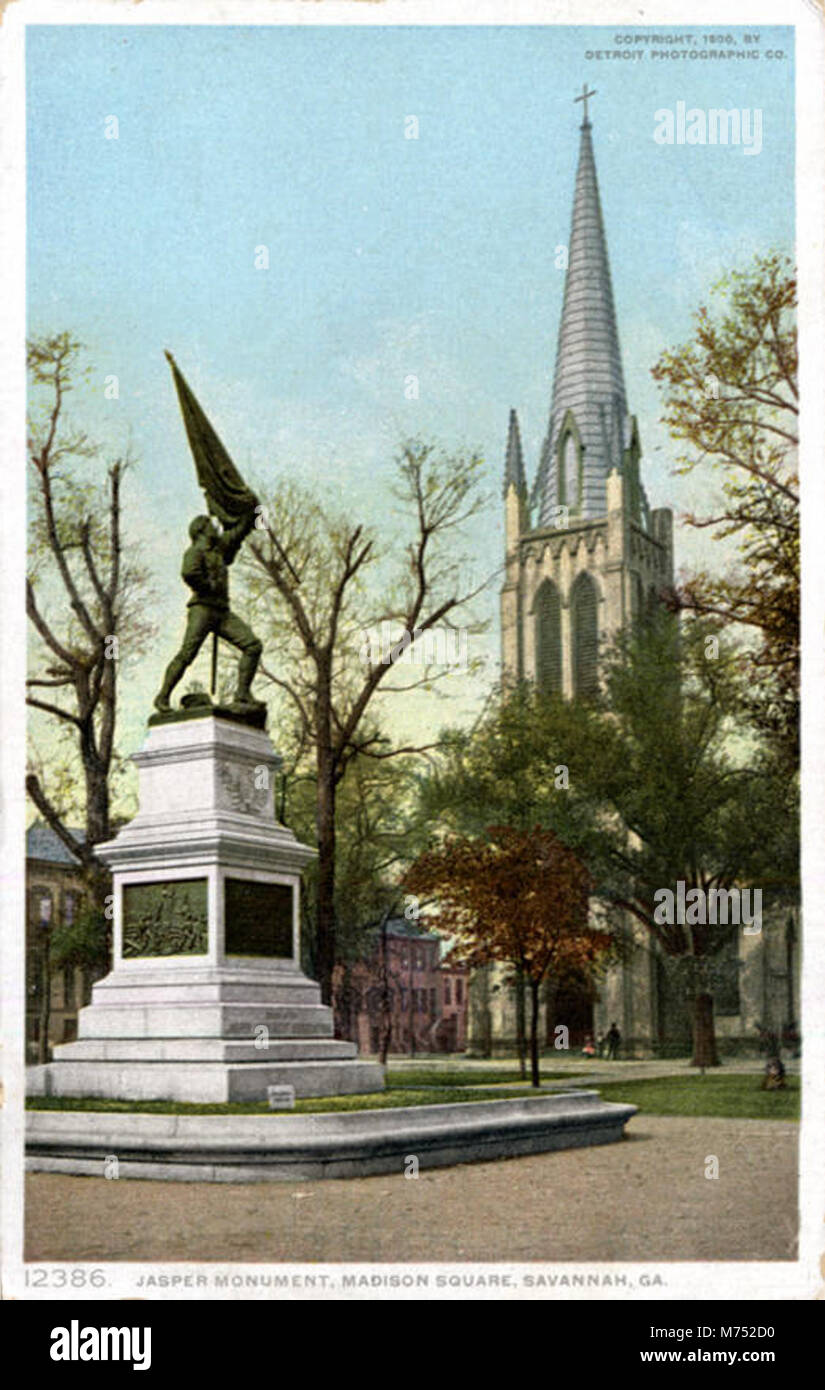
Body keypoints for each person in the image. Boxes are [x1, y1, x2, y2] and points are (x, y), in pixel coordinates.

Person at [154, 508, 264, 712]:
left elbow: (237, 531)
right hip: (202, 609)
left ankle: (242, 693)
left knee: (253, 646)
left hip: (222, 612)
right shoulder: (195, 551)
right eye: (211, 525)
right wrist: (208, 585)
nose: (215, 527)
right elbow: (189, 573)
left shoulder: (219, 550)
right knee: (187, 654)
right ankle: (163, 696)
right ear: (201, 530)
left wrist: (247, 513)